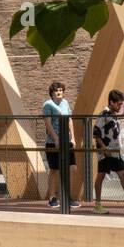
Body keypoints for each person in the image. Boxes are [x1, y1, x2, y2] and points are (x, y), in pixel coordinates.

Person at [41, 81, 80, 209]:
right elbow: (48, 123)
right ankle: (52, 197)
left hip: (66, 141)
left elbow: (69, 120)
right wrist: (56, 138)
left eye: (61, 90)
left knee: (72, 169)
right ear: (52, 92)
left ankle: (67, 196)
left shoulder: (65, 103)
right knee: (54, 170)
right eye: (56, 90)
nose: (59, 92)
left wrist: (73, 137)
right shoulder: (48, 105)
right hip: (53, 143)